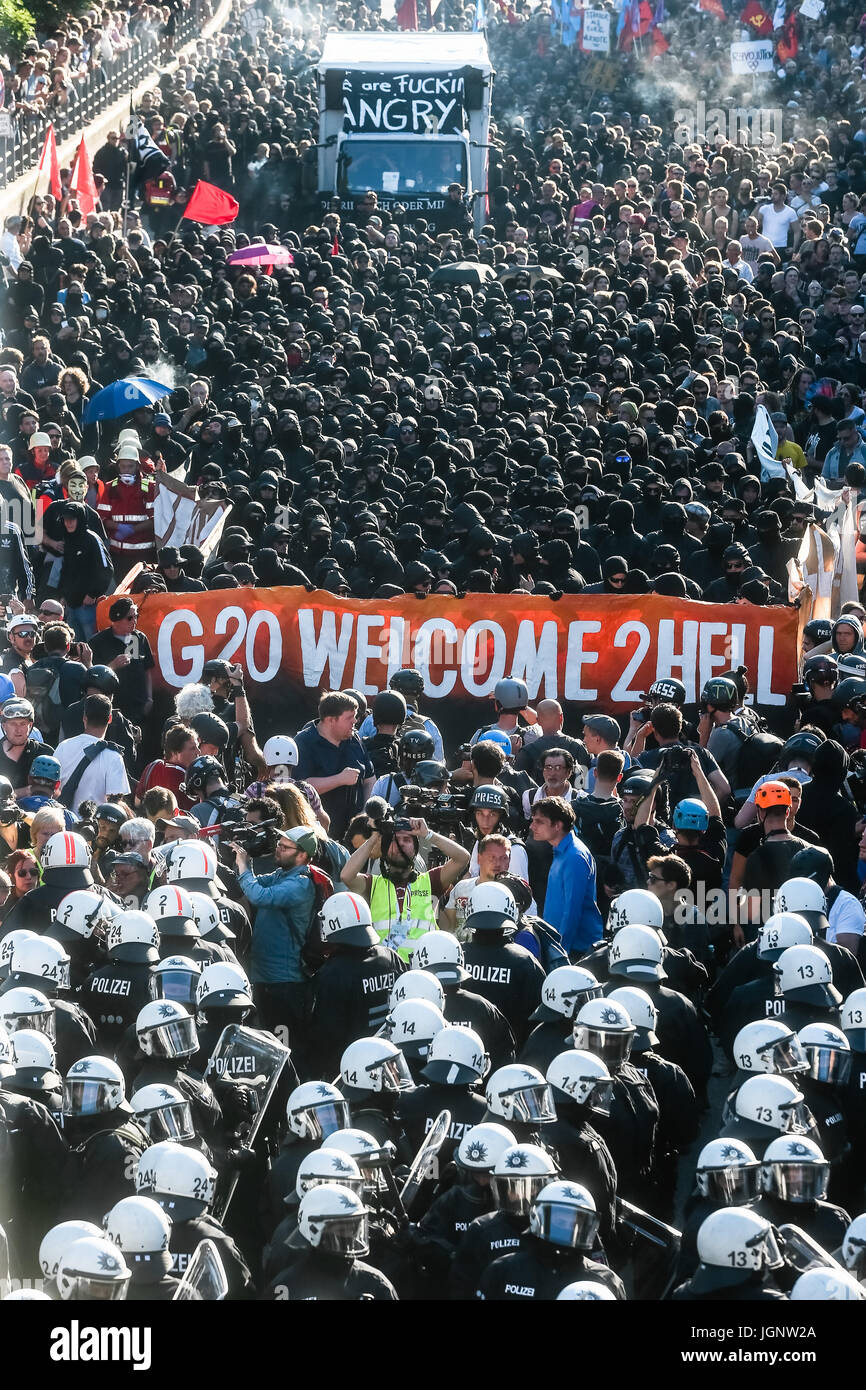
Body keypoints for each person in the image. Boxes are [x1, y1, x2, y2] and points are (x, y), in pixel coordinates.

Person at [529, 797, 603, 957]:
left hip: (575, 950)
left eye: (539, 822)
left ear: (557, 825)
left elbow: (572, 910)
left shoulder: (574, 856)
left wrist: (560, 953)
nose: (532, 826)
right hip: (564, 945)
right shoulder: (562, 851)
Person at [54, 694, 130, 813]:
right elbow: (115, 803)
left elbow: (52, 787)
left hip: (62, 822)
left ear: (84, 717)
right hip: (95, 828)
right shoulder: (113, 756)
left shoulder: (63, 746)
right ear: (110, 719)